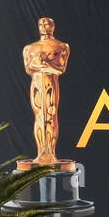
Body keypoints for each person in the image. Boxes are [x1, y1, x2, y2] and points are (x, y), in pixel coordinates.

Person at [21, 17, 71, 168]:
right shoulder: (29, 48)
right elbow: (29, 69)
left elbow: (60, 69)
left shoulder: (61, 46)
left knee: (50, 115)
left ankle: (51, 153)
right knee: (39, 116)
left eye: (47, 23)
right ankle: (41, 153)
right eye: (41, 24)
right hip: (36, 83)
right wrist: (43, 66)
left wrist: (43, 64)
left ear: (53, 26)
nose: (44, 26)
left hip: (50, 83)